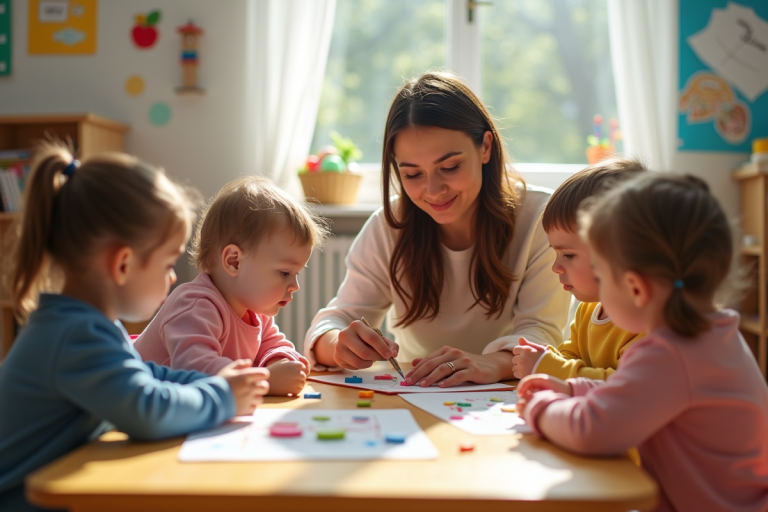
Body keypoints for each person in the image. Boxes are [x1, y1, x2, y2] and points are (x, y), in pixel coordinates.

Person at [0, 144, 269, 512]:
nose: (173, 277)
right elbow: (145, 409)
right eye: (167, 263)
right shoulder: (75, 335)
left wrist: (211, 382)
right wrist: (222, 397)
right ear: (124, 264)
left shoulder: (85, 324)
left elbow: (142, 373)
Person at [517, 174, 768, 512]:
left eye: (603, 278)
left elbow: (592, 430)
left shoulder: (670, 353)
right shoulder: (709, 336)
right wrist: (574, 390)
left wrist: (541, 407)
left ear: (635, 288)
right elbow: (637, 394)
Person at [305, 71, 569, 387]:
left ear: (485, 147)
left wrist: (490, 364)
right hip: (419, 393)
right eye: (413, 175)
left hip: (512, 392)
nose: (433, 190)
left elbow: (541, 332)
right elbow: (333, 322)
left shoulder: (542, 217)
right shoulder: (388, 226)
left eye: (449, 167)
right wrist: (339, 346)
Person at [136, 176, 327, 396]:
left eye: (296, 274)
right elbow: (195, 371)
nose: (295, 286)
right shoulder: (195, 306)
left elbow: (274, 344)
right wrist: (266, 381)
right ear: (234, 261)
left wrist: (280, 362)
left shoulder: (256, 312)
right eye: (285, 273)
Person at [511, 158, 646, 380]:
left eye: (569, 255)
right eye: (555, 253)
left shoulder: (647, 320)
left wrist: (550, 368)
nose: (556, 268)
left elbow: (628, 386)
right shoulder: (588, 310)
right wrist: (545, 357)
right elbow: (572, 355)